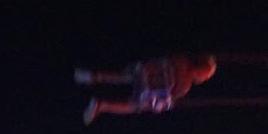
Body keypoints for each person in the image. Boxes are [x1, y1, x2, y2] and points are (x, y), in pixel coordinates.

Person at [77, 54, 218, 125]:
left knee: (124, 76)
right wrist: (159, 106)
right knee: (135, 106)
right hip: (146, 91)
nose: (204, 79)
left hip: (143, 72)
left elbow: (162, 59)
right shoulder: (185, 87)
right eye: (206, 77)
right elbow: (166, 98)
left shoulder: (180, 59)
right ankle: (100, 105)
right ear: (200, 73)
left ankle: (90, 76)